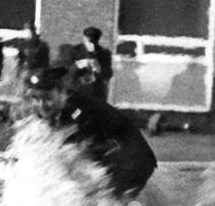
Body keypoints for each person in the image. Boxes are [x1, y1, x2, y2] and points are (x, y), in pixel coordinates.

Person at [54, 67, 157, 197]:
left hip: (133, 162)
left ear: (61, 92)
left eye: (47, 97)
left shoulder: (79, 108)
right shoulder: (79, 107)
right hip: (136, 161)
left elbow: (87, 144)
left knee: (118, 201)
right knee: (117, 201)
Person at [69, 26, 113, 100]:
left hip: (97, 91)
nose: (90, 44)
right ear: (84, 38)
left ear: (97, 40)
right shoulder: (75, 51)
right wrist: (79, 65)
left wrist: (97, 70)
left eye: (93, 41)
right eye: (88, 40)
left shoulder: (104, 53)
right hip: (79, 89)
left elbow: (108, 73)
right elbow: (68, 70)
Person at [15, 21, 52, 94]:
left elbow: (45, 61)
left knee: (35, 89)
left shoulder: (41, 45)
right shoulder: (22, 44)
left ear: (33, 31)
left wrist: (41, 72)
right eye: (26, 31)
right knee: (23, 91)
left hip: (36, 71)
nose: (28, 33)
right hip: (25, 71)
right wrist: (18, 72)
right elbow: (20, 59)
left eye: (29, 31)